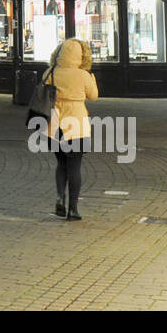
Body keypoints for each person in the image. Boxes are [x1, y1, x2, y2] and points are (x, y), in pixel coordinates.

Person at [48, 38, 98, 221]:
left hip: (54, 126)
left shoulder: (51, 72)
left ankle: (60, 197)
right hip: (76, 127)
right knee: (74, 167)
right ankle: (73, 210)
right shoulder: (83, 75)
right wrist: (92, 79)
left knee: (61, 165)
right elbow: (93, 96)